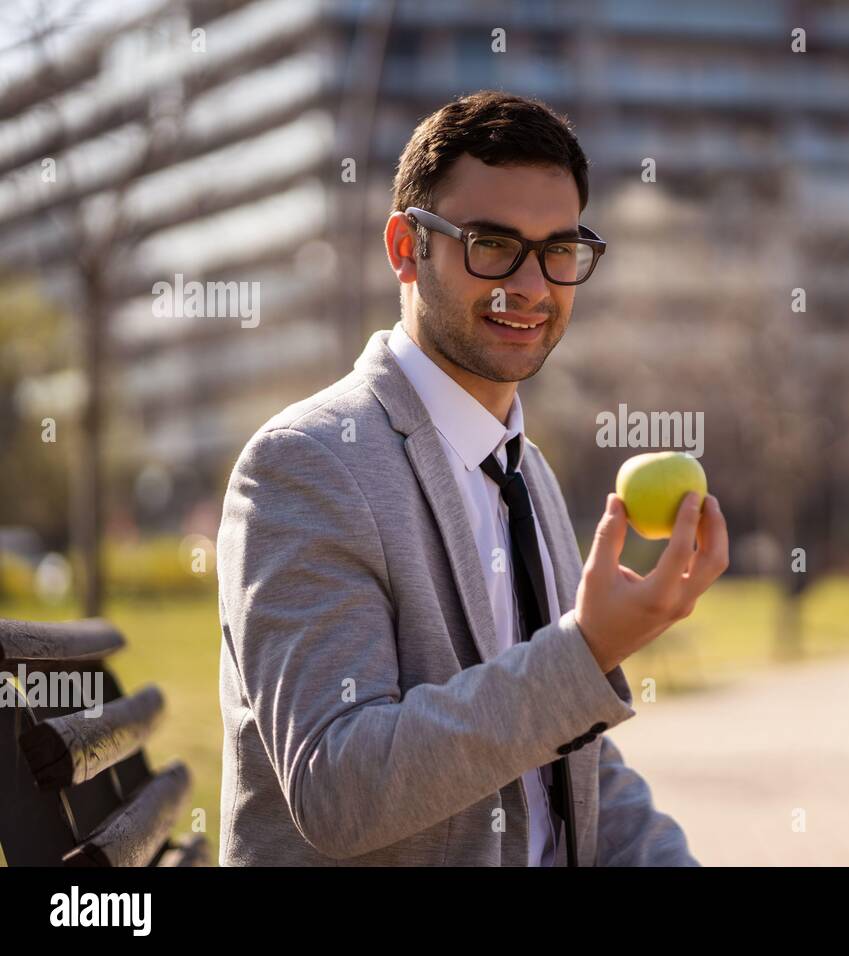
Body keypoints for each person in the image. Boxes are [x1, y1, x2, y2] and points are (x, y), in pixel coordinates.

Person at [216, 91, 729, 866]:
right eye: (491, 244)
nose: (530, 285)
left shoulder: (527, 471)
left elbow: (571, 767)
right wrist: (584, 652)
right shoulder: (307, 463)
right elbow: (336, 789)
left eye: (559, 249)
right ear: (403, 247)